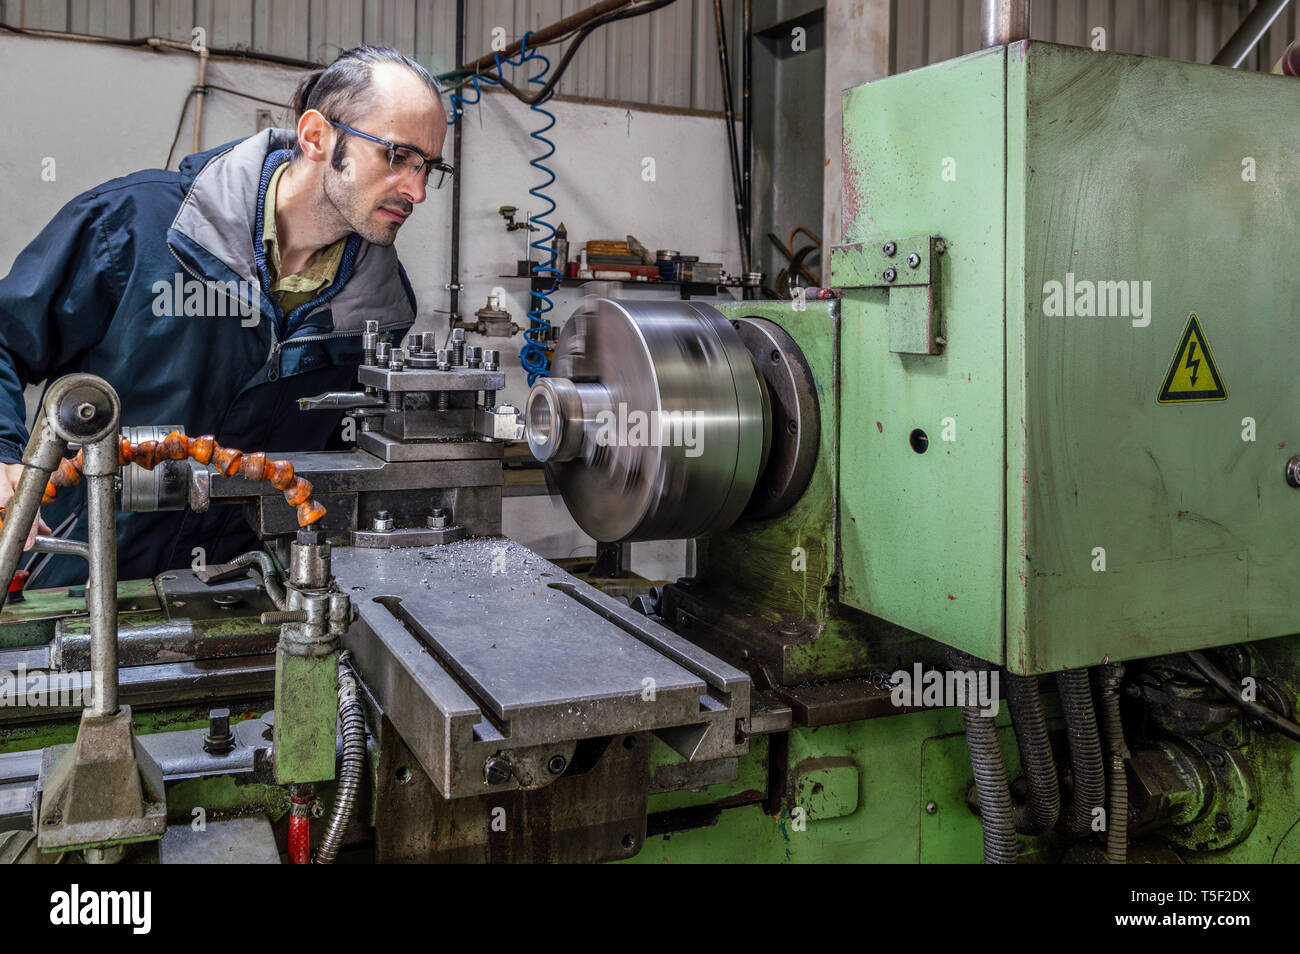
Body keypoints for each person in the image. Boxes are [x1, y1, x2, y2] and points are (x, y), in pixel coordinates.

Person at [0, 44, 449, 588]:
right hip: (85, 573)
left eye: (429, 166)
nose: (418, 190)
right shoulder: (136, 231)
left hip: (242, 594)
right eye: (398, 156)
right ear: (316, 137)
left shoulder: (384, 305)